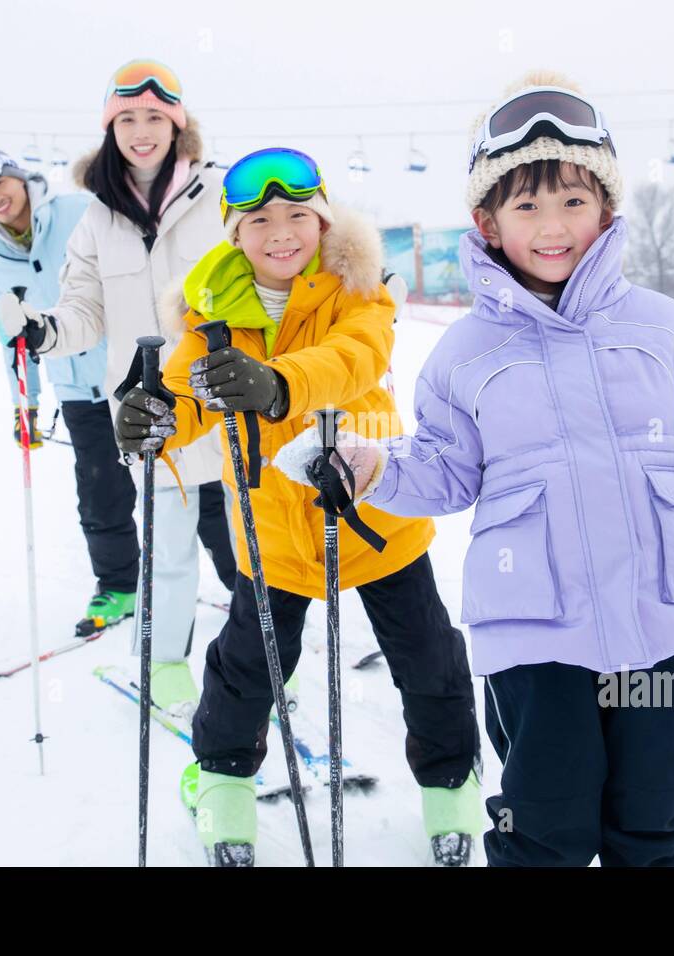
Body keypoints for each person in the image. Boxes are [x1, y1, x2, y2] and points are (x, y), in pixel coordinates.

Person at [275, 71, 674, 867]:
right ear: (487, 222)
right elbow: (446, 471)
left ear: (605, 208)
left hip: (664, 627)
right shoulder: (464, 354)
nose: (553, 225)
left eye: (573, 199)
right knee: (544, 828)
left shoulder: (662, 328)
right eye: (526, 205)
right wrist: (366, 467)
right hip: (538, 641)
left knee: (659, 821)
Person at [112, 147, 483, 866]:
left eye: (296, 215)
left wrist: (277, 384)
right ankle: (221, 787)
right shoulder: (212, 316)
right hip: (271, 531)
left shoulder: (358, 290)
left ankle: (450, 784)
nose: (280, 231)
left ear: (322, 223)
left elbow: (356, 358)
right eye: (259, 220)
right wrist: (154, 417)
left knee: (428, 659)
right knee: (247, 672)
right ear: (235, 235)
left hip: (373, 513)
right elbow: (188, 396)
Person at [0, 60, 235, 720]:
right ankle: (164, 667)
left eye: (154, 117)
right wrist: (42, 333)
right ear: (110, 130)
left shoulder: (222, 196)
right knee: (169, 545)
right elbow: (84, 312)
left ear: (177, 125)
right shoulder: (97, 219)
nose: (140, 130)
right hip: (146, 407)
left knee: (251, 541)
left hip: (224, 397)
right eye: (126, 119)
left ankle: (266, 661)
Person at [0, 147, 140, 637]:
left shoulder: (77, 211)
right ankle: (120, 586)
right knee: (100, 491)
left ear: (21, 178)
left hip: (132, 372)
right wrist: (27, 403)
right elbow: (11, 336)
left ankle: (240, 582)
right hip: (76, 386)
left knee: (186, 484)